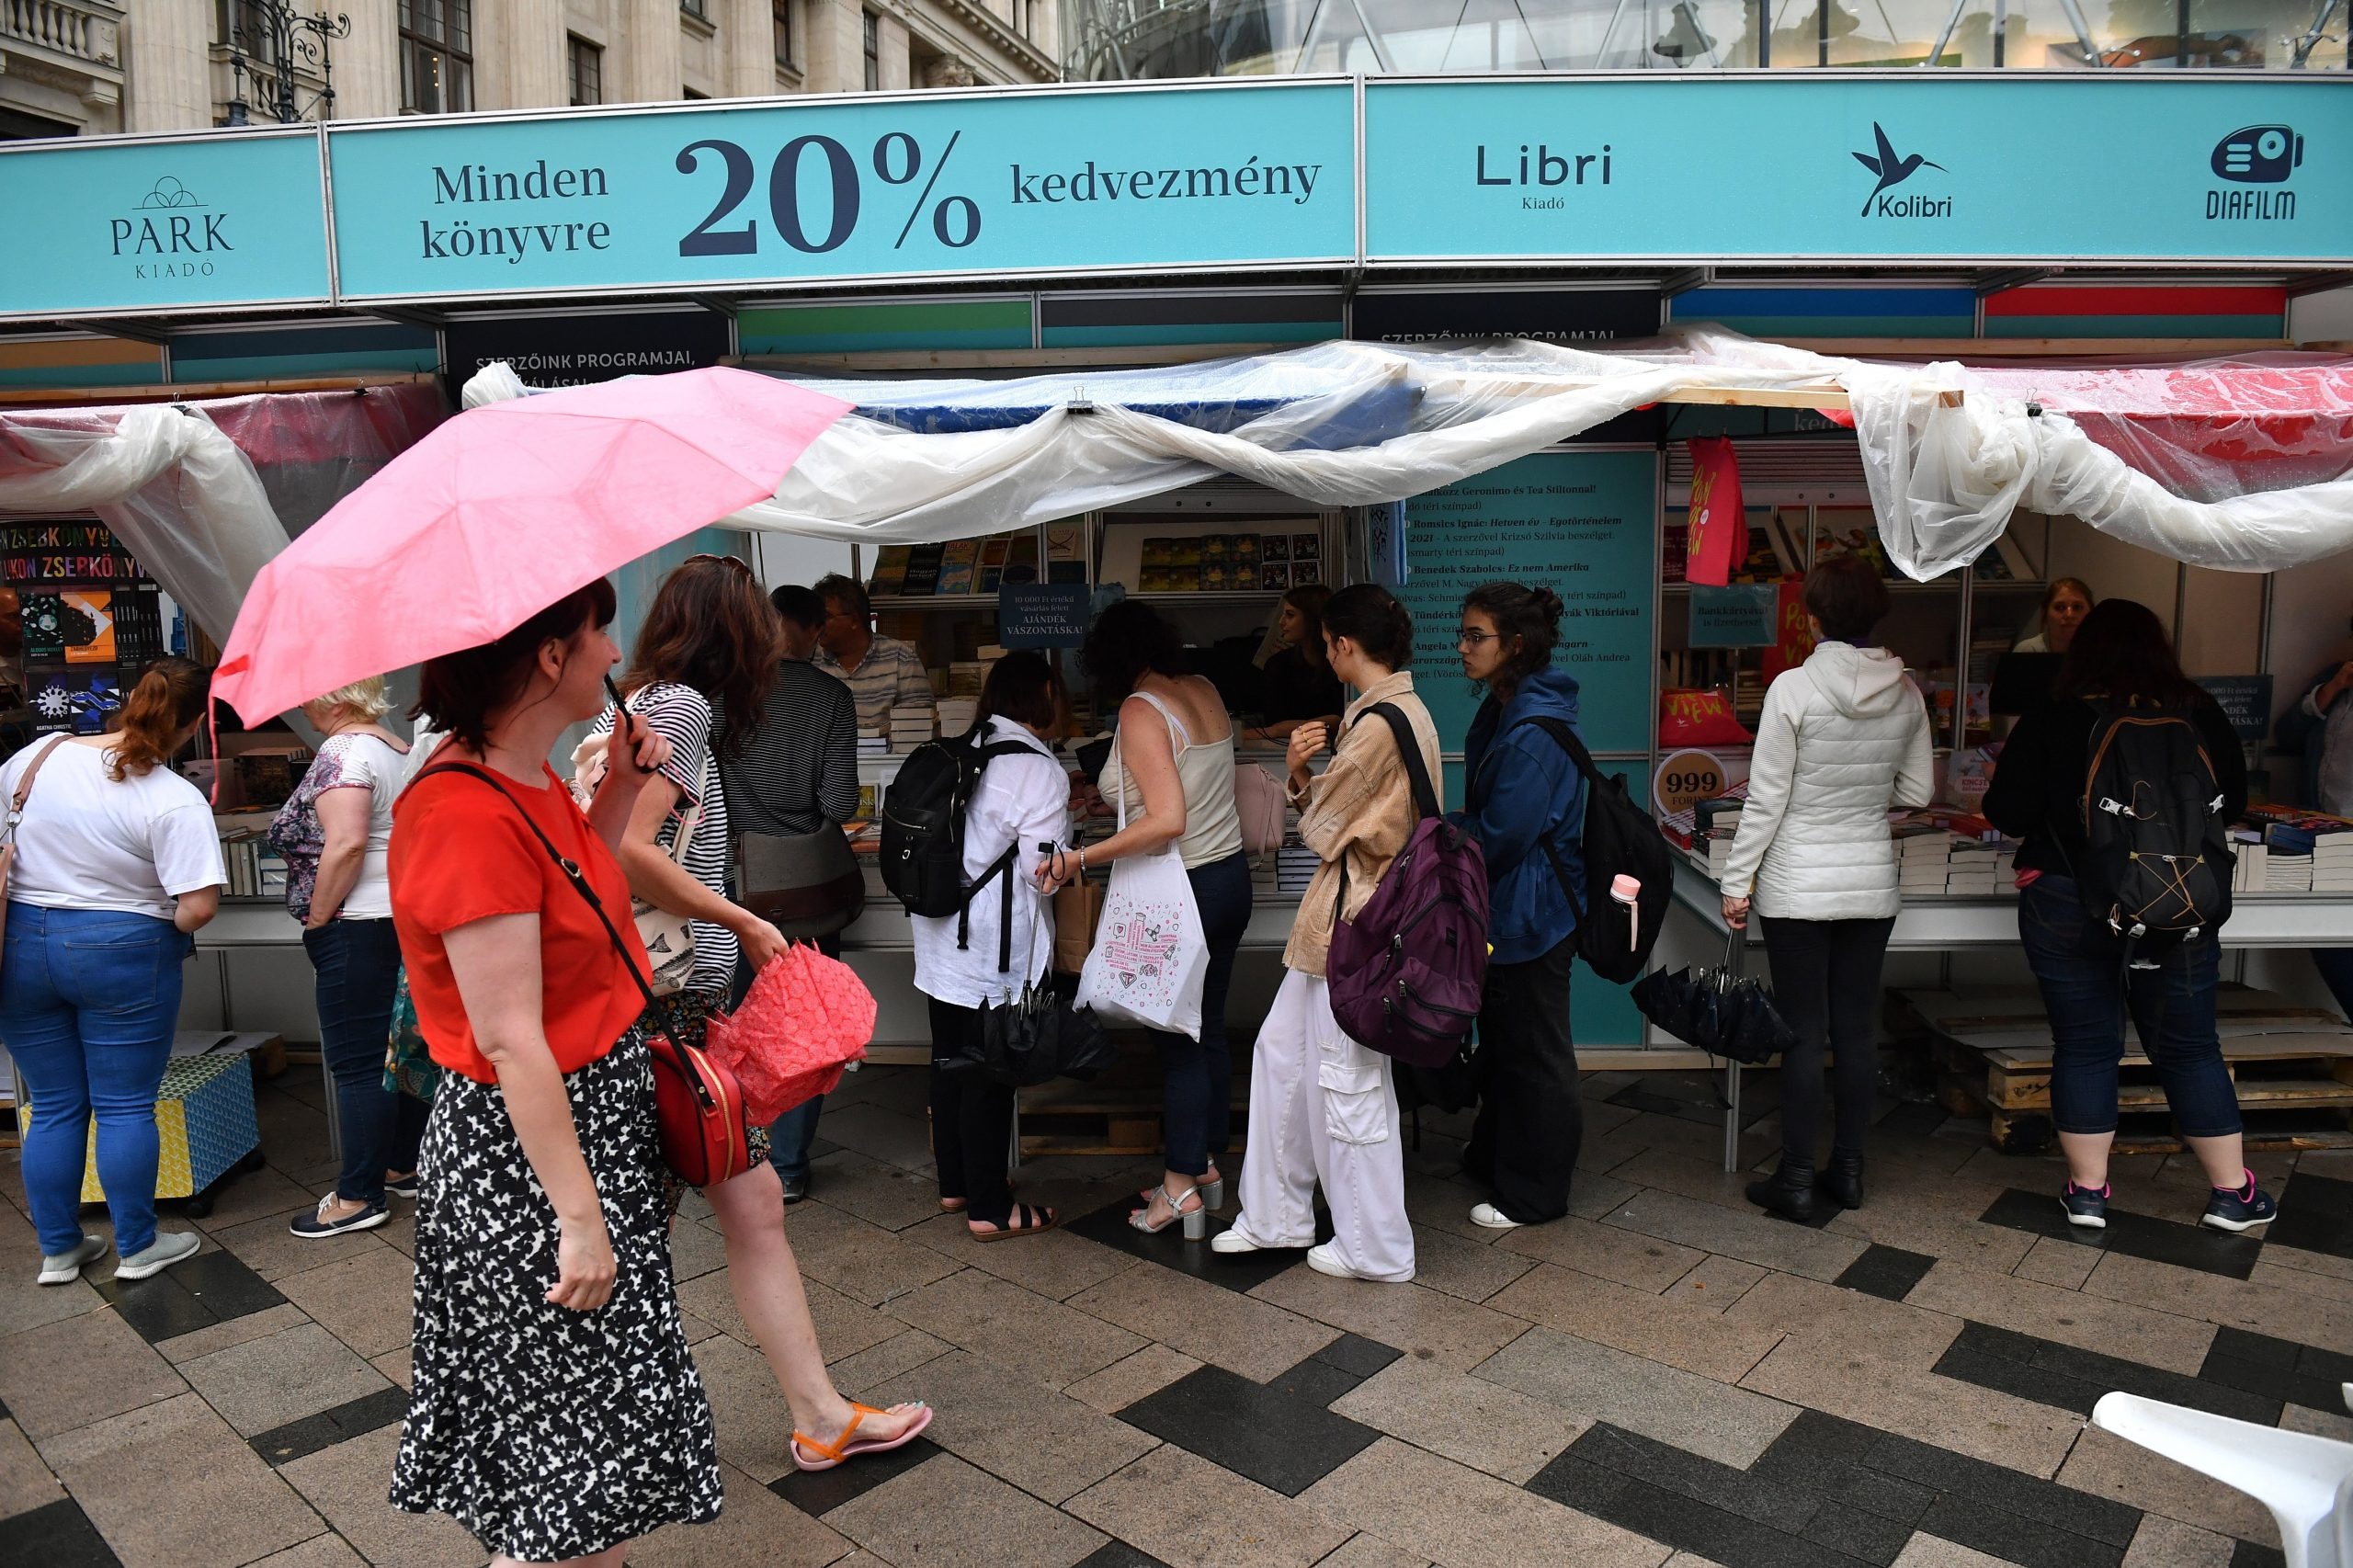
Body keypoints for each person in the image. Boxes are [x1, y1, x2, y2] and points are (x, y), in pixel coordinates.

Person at [388, 579, 725, 1563]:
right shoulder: (462, 808)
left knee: (586, 1471)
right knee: (564, 1479)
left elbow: (589, 895)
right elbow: (509, 1038)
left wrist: (618, 785)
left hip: (574, 1146)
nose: (615, 651)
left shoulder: (524, 780)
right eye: (598, 629)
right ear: (548, 654)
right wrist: (580, 1217)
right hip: (528, 1166)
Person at [601, 555, 932, 1457]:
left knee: (750, 1208)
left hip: (667, 996)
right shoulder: (681, 708)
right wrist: (740, 916)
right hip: (664, 1002)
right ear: (736, 630)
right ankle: (599, 1425)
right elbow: (631, 848)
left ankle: (819, 1414)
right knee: (643, 1224)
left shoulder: (637, 705)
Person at [1983, 598, 2277, 1234]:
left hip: (2067, 895)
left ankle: (2088, 1193)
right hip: (2177, 898)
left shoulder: (2057, 713)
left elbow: (2005, 807)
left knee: (2086, 1044)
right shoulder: (2198, 711)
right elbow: (2234, 801)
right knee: (2192, 1045)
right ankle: (2233, 1192)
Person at [1215, 584, 1436, 1283]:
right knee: (1283, 1054)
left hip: (1358, 919)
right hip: (1344, 919)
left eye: (1328, 643)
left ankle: (1376, 1248)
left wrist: (1299, 773)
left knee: (1348, 1079)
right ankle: (1276, 1217)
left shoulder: (1375, 724)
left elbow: (1321, 830)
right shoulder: (1397, 709)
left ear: (1343, 645)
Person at [1720, 557, 1935, 1224]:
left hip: (1798, 885)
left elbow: (1767, 800)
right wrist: (1866, 799)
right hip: (1870, 880)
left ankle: (1793, 1177)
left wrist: (1737, 880)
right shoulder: (1907, 692)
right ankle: (1848, 1169)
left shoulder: (1792, 688)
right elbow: (1920, 792)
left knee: (1804, 1033)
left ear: (1811, 619)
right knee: (1857, 1030)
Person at [5, 657, 222, 1288]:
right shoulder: (172, 798)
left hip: (18, 943)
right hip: (122, 950)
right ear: (194, 724)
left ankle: (59, 1250)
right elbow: (197, 908)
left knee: (51, 1105)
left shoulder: (36, 758)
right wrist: (151, 928)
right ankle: (137, 1244)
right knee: (125, 1104)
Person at [1040, 601, 1253, 1238]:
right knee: (1206, 1028)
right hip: (1227, 880)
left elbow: (1166, 820)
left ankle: (1182, 1187)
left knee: (1178, 1041)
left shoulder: (1141, 709)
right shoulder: (1204, 690)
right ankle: (1205, 1163)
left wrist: (1080, 855)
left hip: (1179, 892)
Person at [916, 651, 1068, 1241]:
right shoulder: (1038, 769)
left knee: (947, 1059)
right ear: (1044, 695)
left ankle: (956, 1185)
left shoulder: (965, 744)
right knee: (989, 1070)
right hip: (990, 946)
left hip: (938, 932)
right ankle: (989, 1207)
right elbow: (1043, 871)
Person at [1451, 583, 1587, 1231]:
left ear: (1517, 645)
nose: (1463, 647)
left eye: (1476, 636)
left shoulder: (1531, 730)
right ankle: (1496, 1157)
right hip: (1512, 909)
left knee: (1536, 1054)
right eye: (1465, 633)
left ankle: (1534, 1194)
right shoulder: (1506, 708)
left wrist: (1442, 833)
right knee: (1508, 1043)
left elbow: (1502, 833)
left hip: (1533, 915)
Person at [269, 676, 424, 1238]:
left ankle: (359, 1195)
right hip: (399, 918)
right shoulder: (395, 747)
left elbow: (347, 842)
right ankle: (403, 1164)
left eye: (308, 691)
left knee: (357, 1062)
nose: (301, 700)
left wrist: (318, 918)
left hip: (356, 922)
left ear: (336, 696)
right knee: (398, 1052)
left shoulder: (342, 751)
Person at [721, 582, 859, 1203]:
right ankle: (790, 1167)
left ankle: (736, 1152)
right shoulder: (831, 697)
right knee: (803, 1022)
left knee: (737, 1021)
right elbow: (839, 801)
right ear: (809, 630)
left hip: (732, 882)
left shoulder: (722, 695)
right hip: (803, 886)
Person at [813, 573, 936, 737]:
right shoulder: (811, 661)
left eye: (826, 616)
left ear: (855, 621)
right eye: (815, 616)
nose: (817, 623)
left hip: (889, 762)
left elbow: (919, 729)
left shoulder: (901, 658)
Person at [1244, 584, 1343, 746]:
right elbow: (1274, 723)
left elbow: (1340, 720)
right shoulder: (1278, 665)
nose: (1282, 622)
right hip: (1285, 749)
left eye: (1290, 615)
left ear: (1313, 619)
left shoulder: (1339, 664)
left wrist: (1282, 729)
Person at [2015, 576, 2095, 655]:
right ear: (2045, 614)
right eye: (2060, 607)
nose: (2069, 615)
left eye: (2077, 607)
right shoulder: (2027, 650)